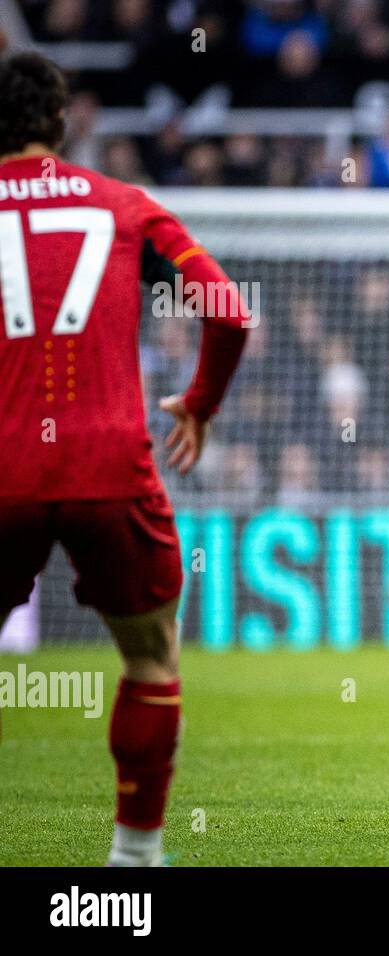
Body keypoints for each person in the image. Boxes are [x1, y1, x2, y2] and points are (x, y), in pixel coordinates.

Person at [0, 52, 250, 865]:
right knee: (150, 654)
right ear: (64, 122)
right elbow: (228, 307)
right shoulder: (123, 206)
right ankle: (135, 860)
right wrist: (200, 403)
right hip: (109, 464)